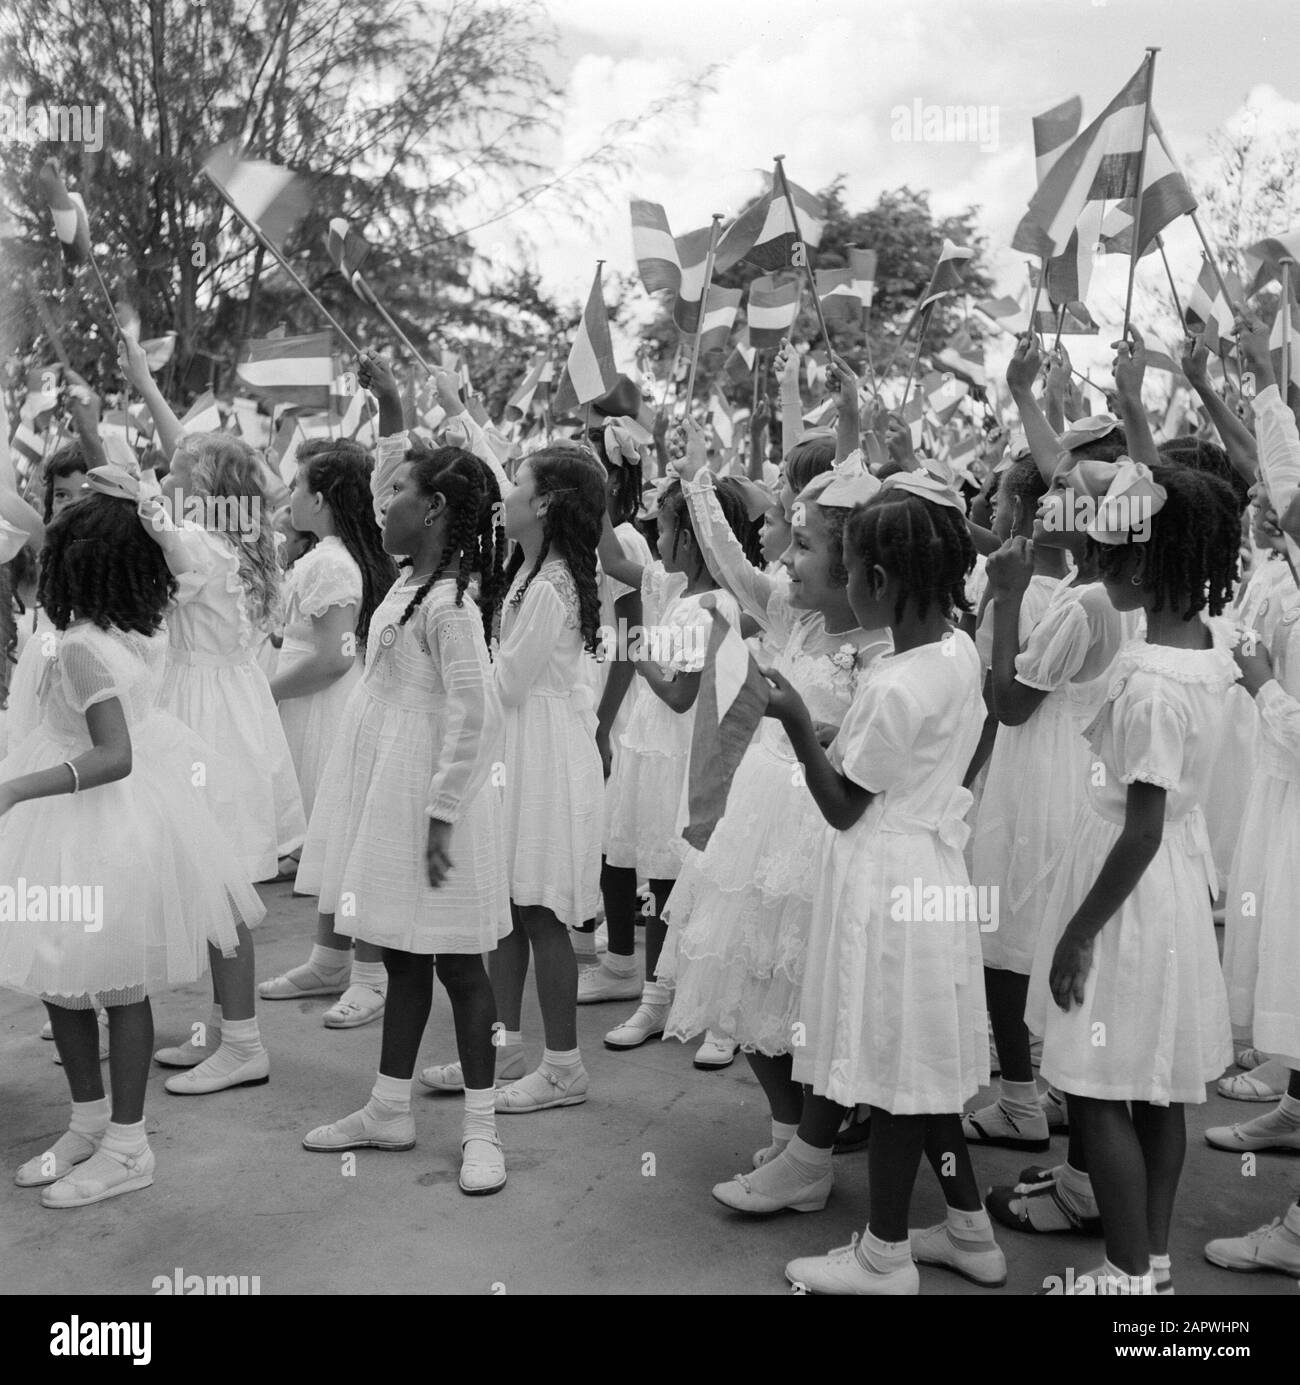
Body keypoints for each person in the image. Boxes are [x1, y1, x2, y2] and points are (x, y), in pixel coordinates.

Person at [769, 473, 1004, 1294]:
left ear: (880, 580)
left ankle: (885, 1252)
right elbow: (919, 755)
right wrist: (845, 734)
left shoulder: (897, 682)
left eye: (855, 569)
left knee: (896, 1075)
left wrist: (801, 725)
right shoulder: (954, 649)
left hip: (884, 878)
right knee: (923, 1058)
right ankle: (970, 1229)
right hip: (930, 865)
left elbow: (840, 808)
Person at [1, 485, 262, 1205]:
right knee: (63, 975)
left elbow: (114, 755)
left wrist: (18, 788)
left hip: (93, 821)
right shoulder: (117, 630)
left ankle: (128, 1142)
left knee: (114, 983)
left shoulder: (82, 649)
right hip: (83, 825)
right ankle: (88, 1123)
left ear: (72, 567)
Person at [1024, 457, 1242, 1295]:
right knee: (1157, 1089)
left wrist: (1078, 931)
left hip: (1126, 893)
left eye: (1110, 552)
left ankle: (1121, 1274)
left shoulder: (1152, 684)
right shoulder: (1205, 654)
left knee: (1095, 1087)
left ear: (1149, 564)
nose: (1095, 565)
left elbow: (1141, 829)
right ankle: (1149, 1263)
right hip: (1171, 886)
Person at [300, 438, 512, 1195]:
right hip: (392, 792)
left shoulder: (452, 606)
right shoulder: (406, 582)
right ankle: (390, 1106)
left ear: (435, 510)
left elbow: (475, 714)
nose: (382, 503)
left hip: (430, 807)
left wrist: (443, 812)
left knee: (459, 962)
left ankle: (482, 1127)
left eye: (398, 491)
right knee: (399, 951)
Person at [422, 441, 607, 1112]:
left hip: (541, 749)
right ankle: (506, 1046)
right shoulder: (530, 567)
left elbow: (508, 680)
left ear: (547, 502)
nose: (506, 491)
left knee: (539, 907)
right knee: (507, 909)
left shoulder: (553, 582)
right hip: (518, 744)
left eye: (518, 481)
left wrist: (451, 680)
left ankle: (564, 1066)